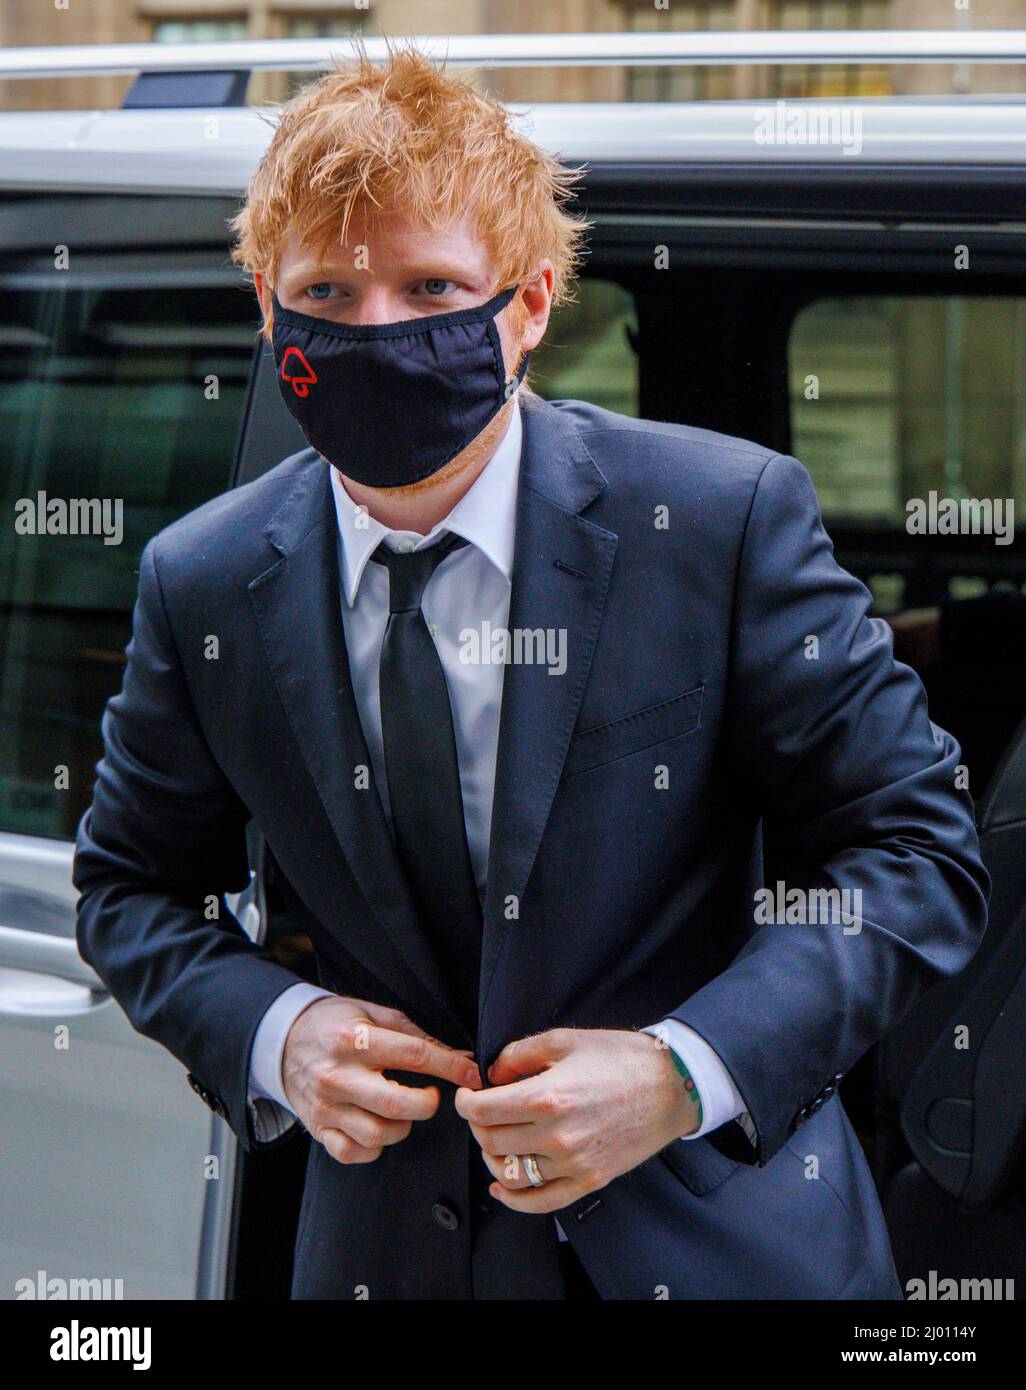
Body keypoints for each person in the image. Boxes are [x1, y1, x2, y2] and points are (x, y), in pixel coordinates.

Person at [73, 40, 990, 1301]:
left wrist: (682, 1072)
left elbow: (915, 853)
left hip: (723, 1247)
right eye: (328, 296)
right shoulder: (204, 576)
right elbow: (131, 887)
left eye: (433, 285)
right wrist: (277, 1033)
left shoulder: (718, 520)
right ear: (265, 307)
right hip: (383, 1257)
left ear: (533, 305)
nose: (378, 329)